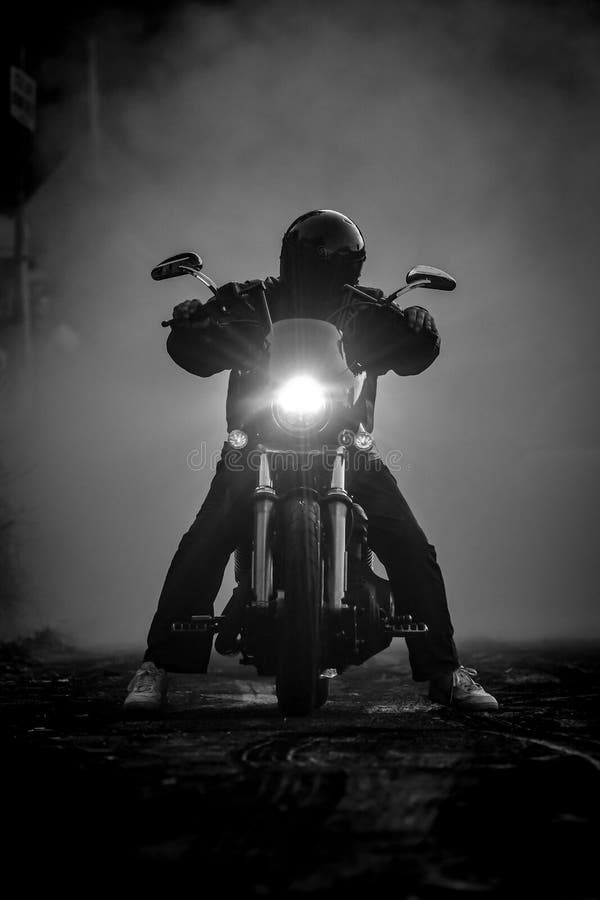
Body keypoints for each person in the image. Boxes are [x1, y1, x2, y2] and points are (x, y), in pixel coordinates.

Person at [124, 210, 498, 714]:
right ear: (294, 259)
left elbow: (412, 355)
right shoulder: (249, 300)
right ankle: (158, 668)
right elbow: (196, 352)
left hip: (343, 446)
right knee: (204, 539)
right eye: (316, 260)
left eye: (336, 263)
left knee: (409, 543)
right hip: (256, 447)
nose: (325, 271)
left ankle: (445, 671)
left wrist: (419, 327)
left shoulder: (366, 310)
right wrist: (193, 323)